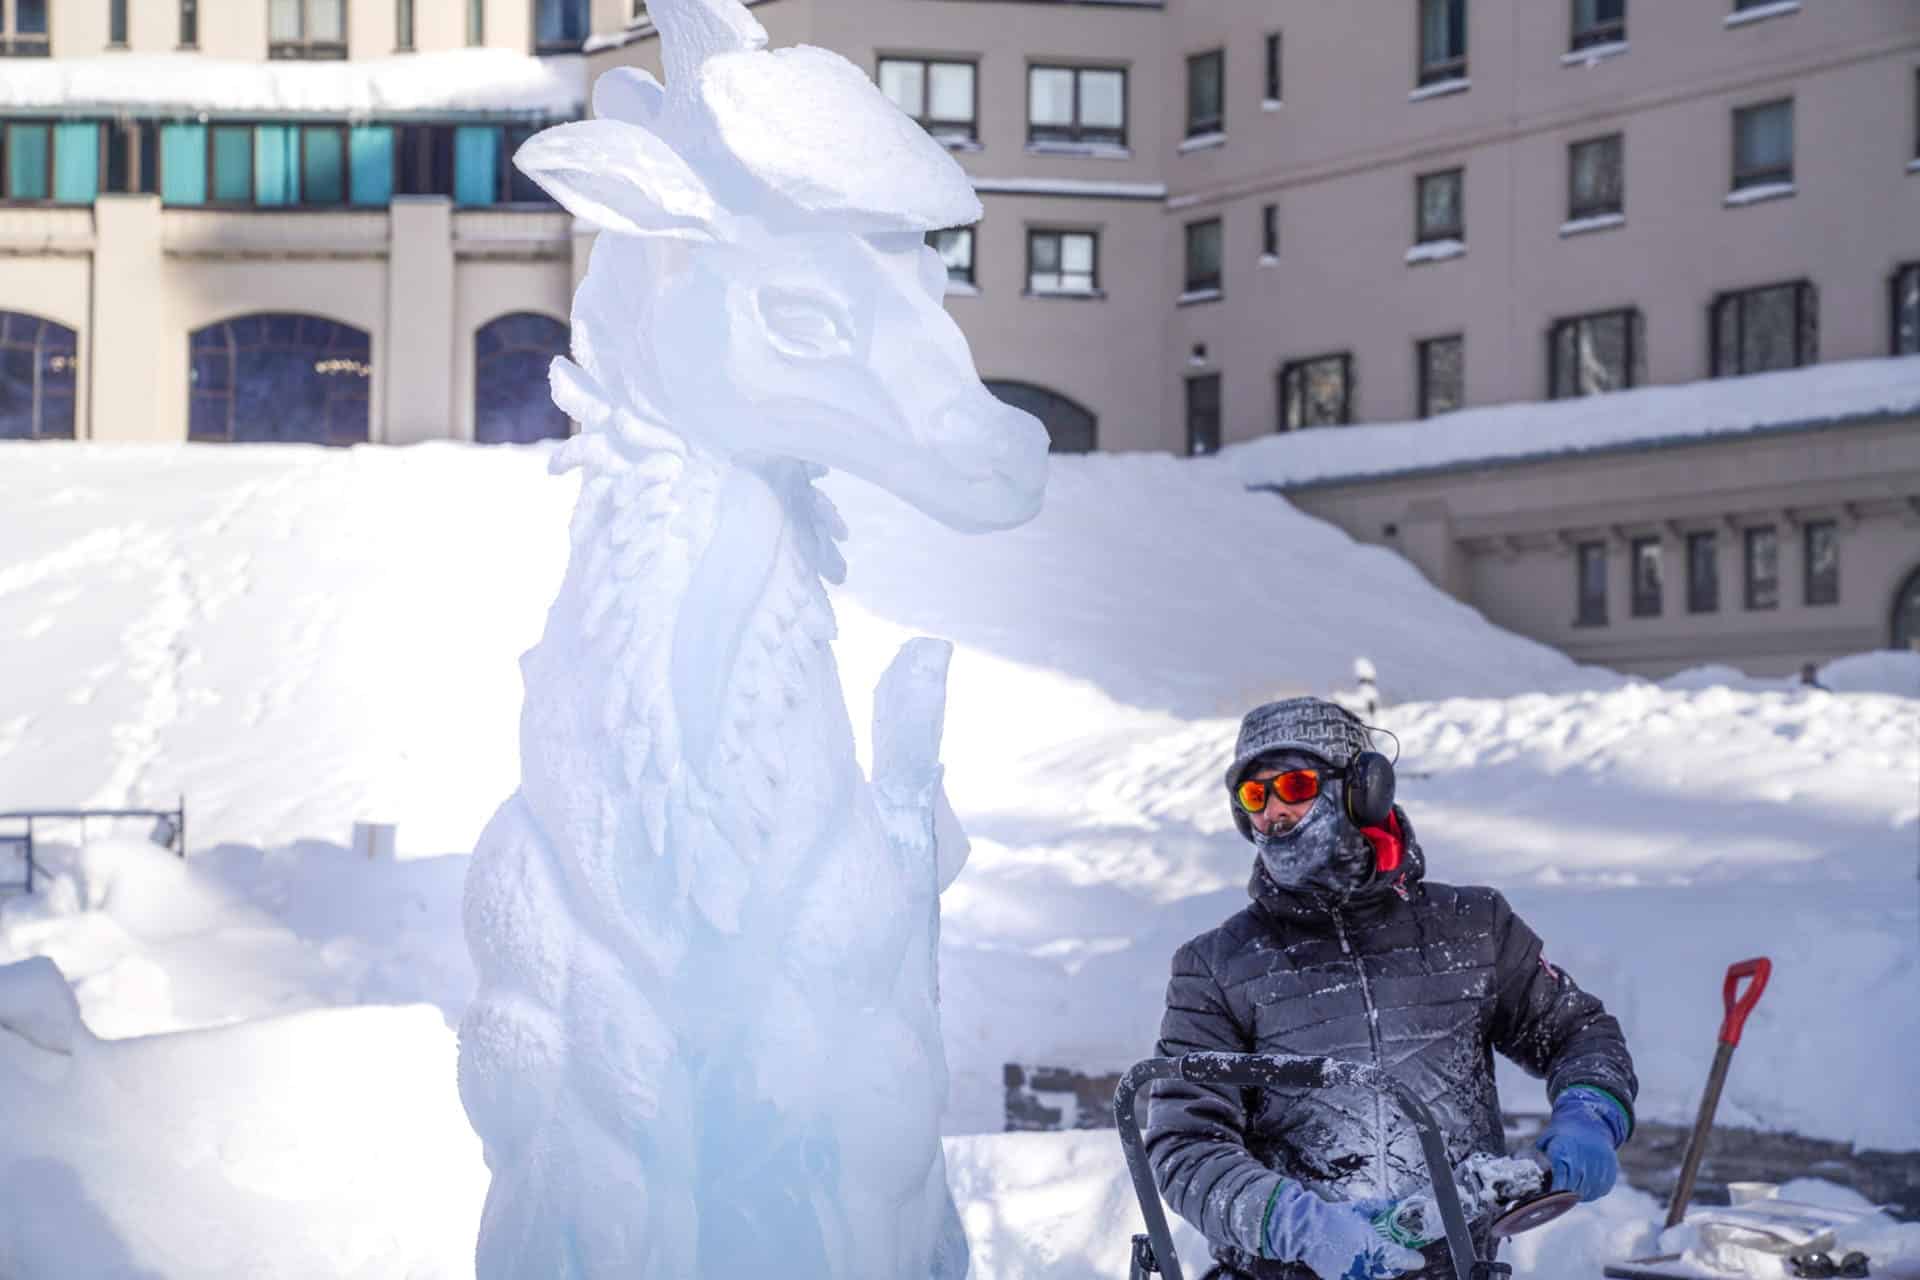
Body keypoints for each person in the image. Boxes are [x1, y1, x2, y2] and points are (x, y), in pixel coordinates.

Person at [1145, 697, 1637, 1280]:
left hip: (1456, 1267)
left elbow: (1578, 1033)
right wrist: (1297, 1225)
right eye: (1255, 796)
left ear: (1363, 790)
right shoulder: (1217, 965)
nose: (1274, 811)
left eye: (1295, 786)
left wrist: (1589, 1113)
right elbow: (1186, 1146)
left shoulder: (1474, 926)